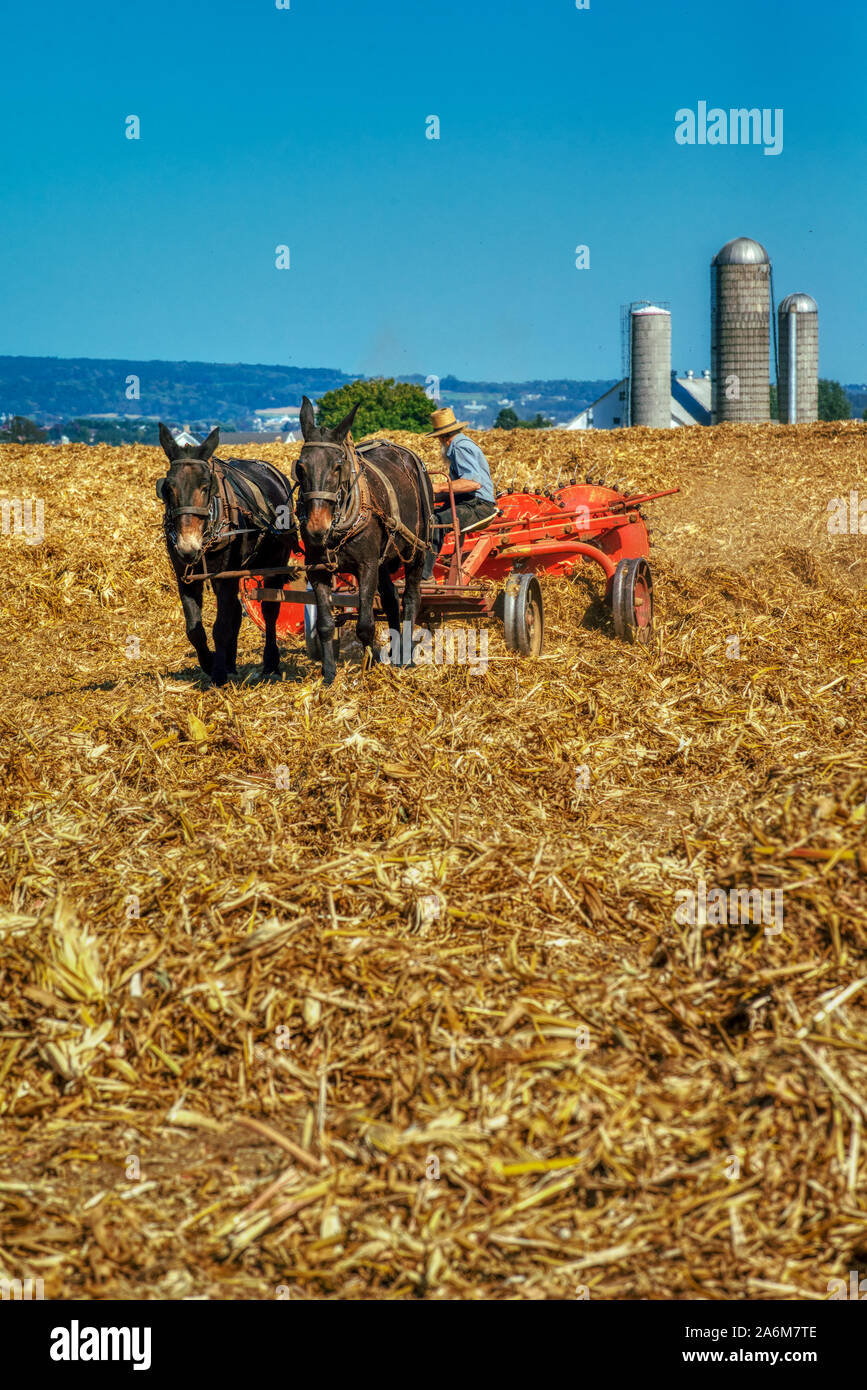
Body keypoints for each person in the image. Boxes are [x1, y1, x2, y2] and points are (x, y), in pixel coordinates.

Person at [423, 407, 498, 579]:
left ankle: (424, 577)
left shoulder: (460, 447)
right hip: (467, 502)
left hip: (478, 506)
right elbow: (455, 489)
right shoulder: (460, 446)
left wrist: (439, 487)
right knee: (426, 518)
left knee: (435, 523)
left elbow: (472, 483)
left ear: (443, 438)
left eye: (438, 440)